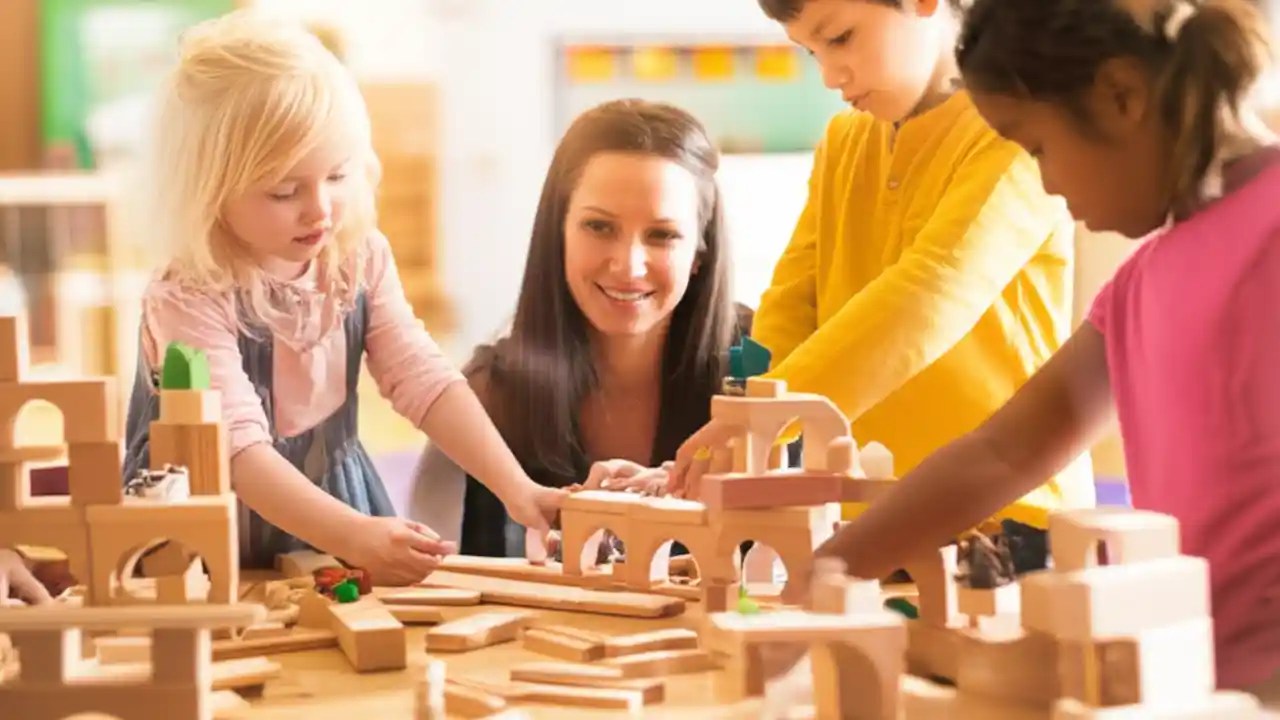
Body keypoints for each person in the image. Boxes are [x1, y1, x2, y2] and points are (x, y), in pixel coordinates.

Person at [811, 0, 1280, 696]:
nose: (1047, 182)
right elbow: (1005, 449)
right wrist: (827, 572)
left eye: (1036, 148)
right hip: (1188, 685)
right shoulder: (1135, 291)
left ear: (1120, 97)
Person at [120, 9, 563, 584]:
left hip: (332, 498)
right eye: (284, 190)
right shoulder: (190, 292)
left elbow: (420, 376)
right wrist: (353, 535)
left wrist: (516, 487)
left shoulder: (356, 255)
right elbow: (236, 451)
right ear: (209, 193)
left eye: (337, 176)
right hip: (206, 521)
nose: (321, 209)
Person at [663, 0, 1096, 562]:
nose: (828, 75)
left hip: (1010, 519)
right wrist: (751, 417)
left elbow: (933, 291)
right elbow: (793, 298)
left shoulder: (1012, 135)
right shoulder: (844, 142)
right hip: (871, 520)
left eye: (841, 38)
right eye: (810, 52)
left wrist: (776, 416)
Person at [410, 99, 748, 557]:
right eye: (599, 226)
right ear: (559, 233)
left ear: (700, 254)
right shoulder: (487, 397)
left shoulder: (764, 369)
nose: (628, 266)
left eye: (662, 235)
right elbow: (438, 580)